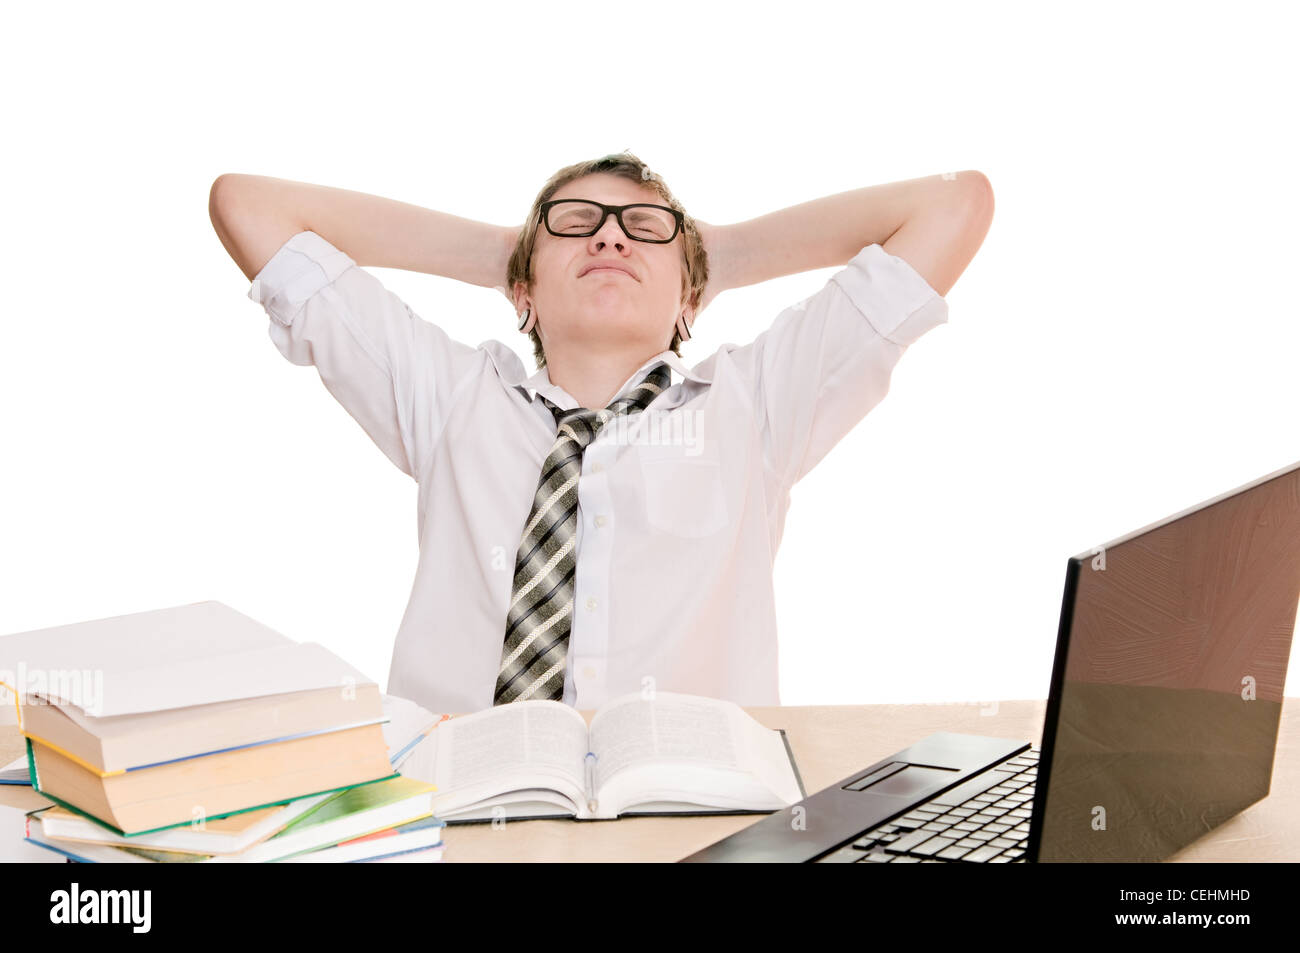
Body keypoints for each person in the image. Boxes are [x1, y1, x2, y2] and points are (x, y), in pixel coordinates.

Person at [209, 151, 993, 714]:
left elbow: (954, 206)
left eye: (644, 229)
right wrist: (506, 252)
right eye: (577, 224)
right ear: (522, 292)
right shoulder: (450, 397)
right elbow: (248, 205)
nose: (611, 239)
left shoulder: (754, 405)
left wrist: (722, 254)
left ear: (693, 299)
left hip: (699, 826)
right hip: (460, 820)